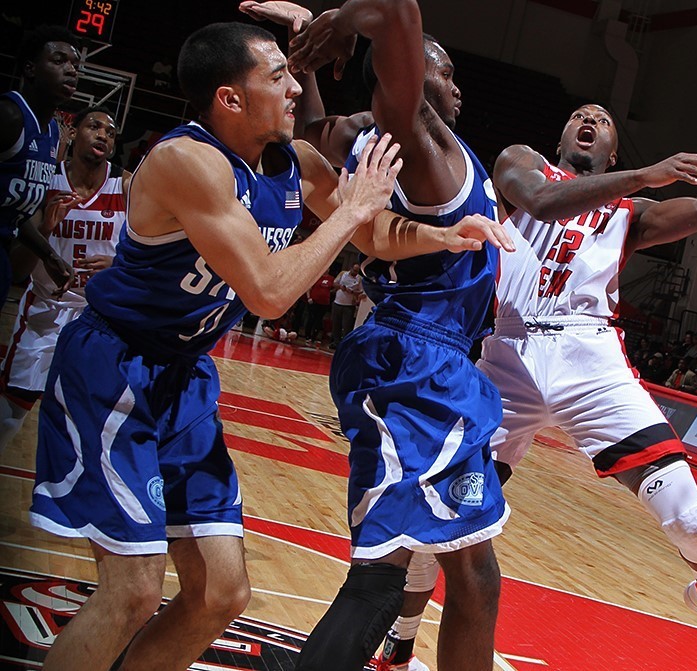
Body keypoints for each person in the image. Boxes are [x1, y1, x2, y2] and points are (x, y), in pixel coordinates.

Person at [368, 97, 697, 667]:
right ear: (563, 135)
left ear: (612, 148)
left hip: (589, 354)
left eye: (604, 119)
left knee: (689, 517)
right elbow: (542, 200)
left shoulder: (629, 214)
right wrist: (645, 173)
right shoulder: (522, 164)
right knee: (439, 508)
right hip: (507, 354)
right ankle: (400, 644)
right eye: (579, 114)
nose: (589, 121)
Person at [29, 23, 413, 670]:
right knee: (133, 590)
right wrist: (348, 214)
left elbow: (376, 234)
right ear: (230, 99)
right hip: (114, 367)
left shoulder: (291, 161)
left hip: (184, 376)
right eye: (277, 76)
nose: (295, 88)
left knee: (220, 591)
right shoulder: (188, 161)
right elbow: (267, 292)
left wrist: (452, 234)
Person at [240, 2, 519, 670]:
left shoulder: (369, 142)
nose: (456, 88)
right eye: (442, 71)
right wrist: (338, 21)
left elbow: (310, 131)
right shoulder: (420, 144)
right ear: (408, 80)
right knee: (379, 582)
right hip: (416, 365)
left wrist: (302, 47)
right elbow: (398, 12)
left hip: (436, 366)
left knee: (475, 576)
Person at [0, 107, 127, 455]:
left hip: (101, 318)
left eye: (110, 132)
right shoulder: (47, 183)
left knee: (92, 421)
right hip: (46, 309)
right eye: (94, 126)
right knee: (12, 408)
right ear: (73, 135)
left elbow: (158, 251)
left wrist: (119, 264)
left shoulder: (127, 185)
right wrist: (44, 232)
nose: (103, 134)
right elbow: (17, 268)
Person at [1, 25, 77, 308]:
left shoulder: (54, 133)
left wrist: (49, 255)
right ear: (31, 69)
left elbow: (18, 212)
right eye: (59, 61)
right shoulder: (9, 115)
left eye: (74, 65)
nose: (71, 70)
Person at [330, 261, 362, 347]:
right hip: (338, 302)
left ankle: (344, 344)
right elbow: (334, 283)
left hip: (349, 305)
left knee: (346, 326)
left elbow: (361, 292)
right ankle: (336, 342)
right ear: (351, 268)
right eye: (354, 270)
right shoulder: (343, 274)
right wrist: (340, 287)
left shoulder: (359, 279)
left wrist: (352, 292)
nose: (355, 272)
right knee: (336, 324)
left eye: (357, 271)